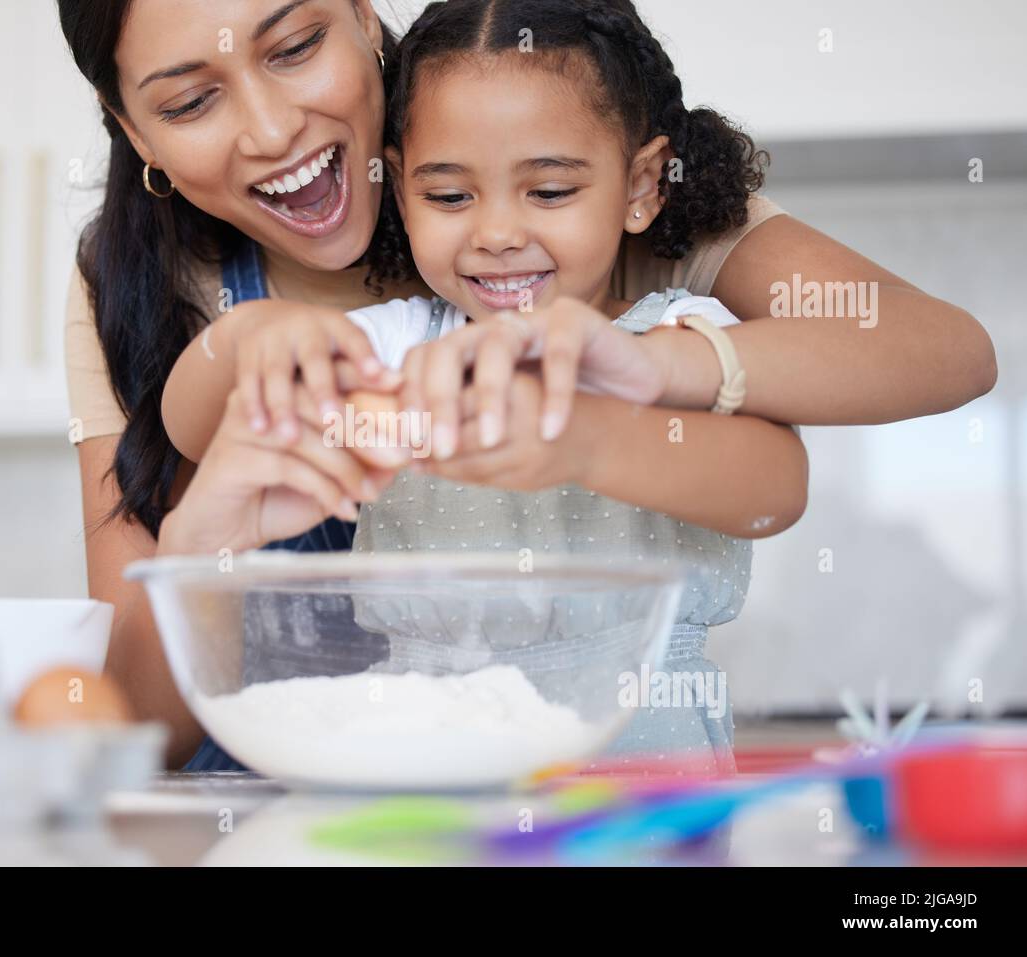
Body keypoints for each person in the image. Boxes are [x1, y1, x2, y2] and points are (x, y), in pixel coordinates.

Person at [56, 0, 996, 768]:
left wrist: (632, 389)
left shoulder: (598, 185)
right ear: (129, 126)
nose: (500, 233)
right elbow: (186, 431)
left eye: (296, 46)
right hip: (357, 799)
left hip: (627, 779)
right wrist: (247, 346)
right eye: (188, 101)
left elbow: (904, 381)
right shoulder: (358, 327)